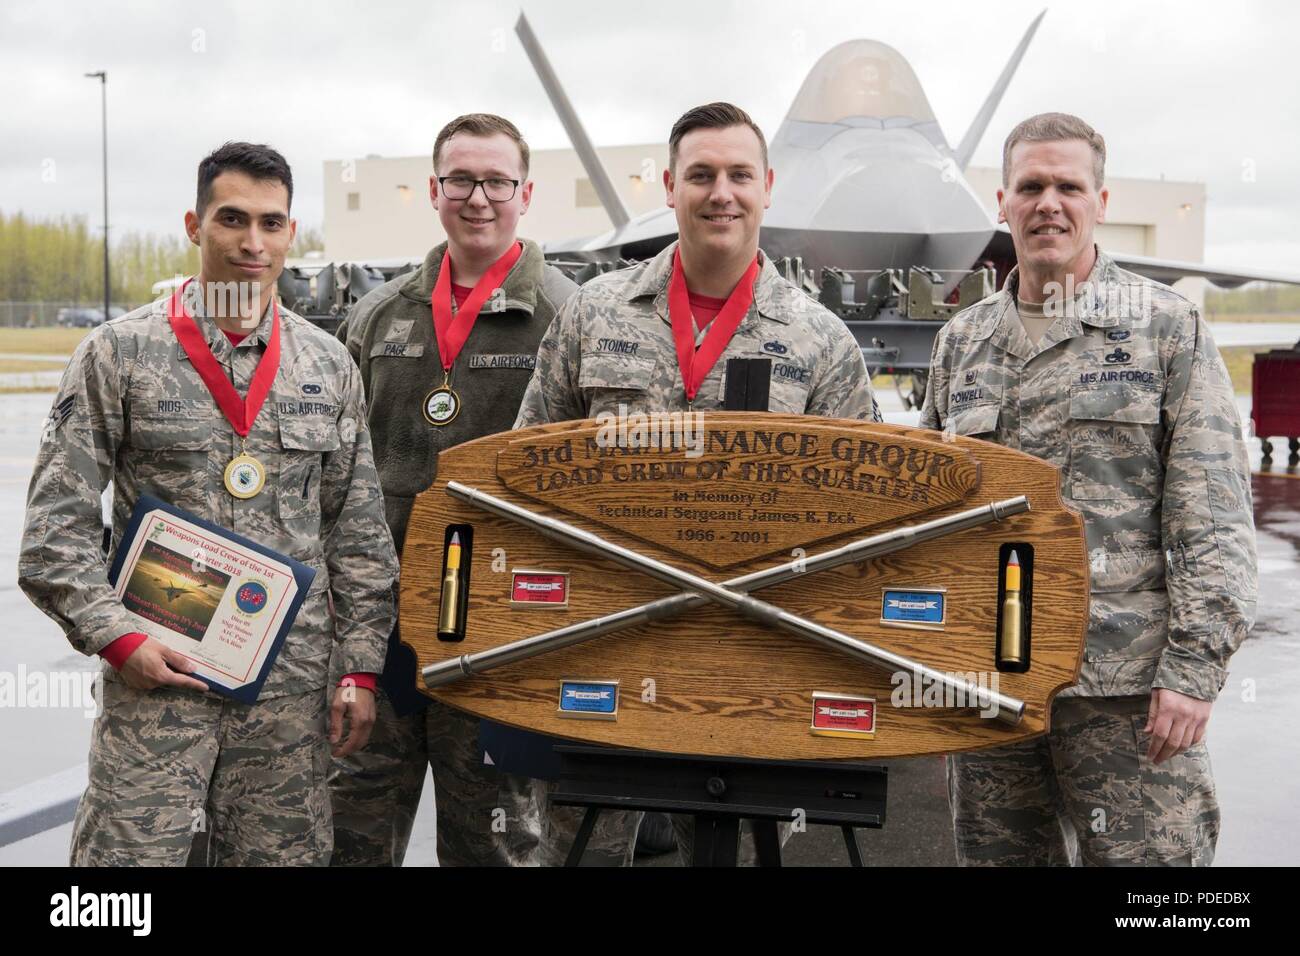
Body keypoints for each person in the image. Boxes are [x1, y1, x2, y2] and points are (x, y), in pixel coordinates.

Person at [515, 102, 880, 863]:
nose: (722, 193)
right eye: (702, 175)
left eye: (739, 174)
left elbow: (861, 519)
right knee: (574, 849)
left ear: (768, 186)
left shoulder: (821, 342)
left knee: (727, 848)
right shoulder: (595, 313)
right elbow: (526, 468)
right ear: (669, 185)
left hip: (746, 655)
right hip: (601, 641)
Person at [18, 142, 396, 866]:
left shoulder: (327, 364)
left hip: (289, 696)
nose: (252, 243)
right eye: (232, 219)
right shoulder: (119, 355)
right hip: (156, 684)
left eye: (271, 223)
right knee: (117, 887)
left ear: (291, 232)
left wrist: (358, 669)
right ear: (194, 225)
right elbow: (52, 532)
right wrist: (119, 640)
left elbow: (359, 536)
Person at [919, 112, 1257, 865]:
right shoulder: (961, 343)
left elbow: (1214, 519)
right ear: (1001, 201)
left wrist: (1194, 673)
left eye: (1068, 186)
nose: (1049, 204)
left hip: (1126, 694)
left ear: (1100, 201)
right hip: (991, 686)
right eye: (1031, 186)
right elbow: (928, 521)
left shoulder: (1168, 330)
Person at [328, 113, 621, 866]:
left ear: (526, 192)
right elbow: (335, 470)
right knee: (348, 838)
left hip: (501, 637)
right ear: (434, 190)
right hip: (380, 631)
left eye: (496, 181)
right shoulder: (378, 315)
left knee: (499, 847)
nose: (478, 197)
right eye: (461, 179)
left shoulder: (570, 316)